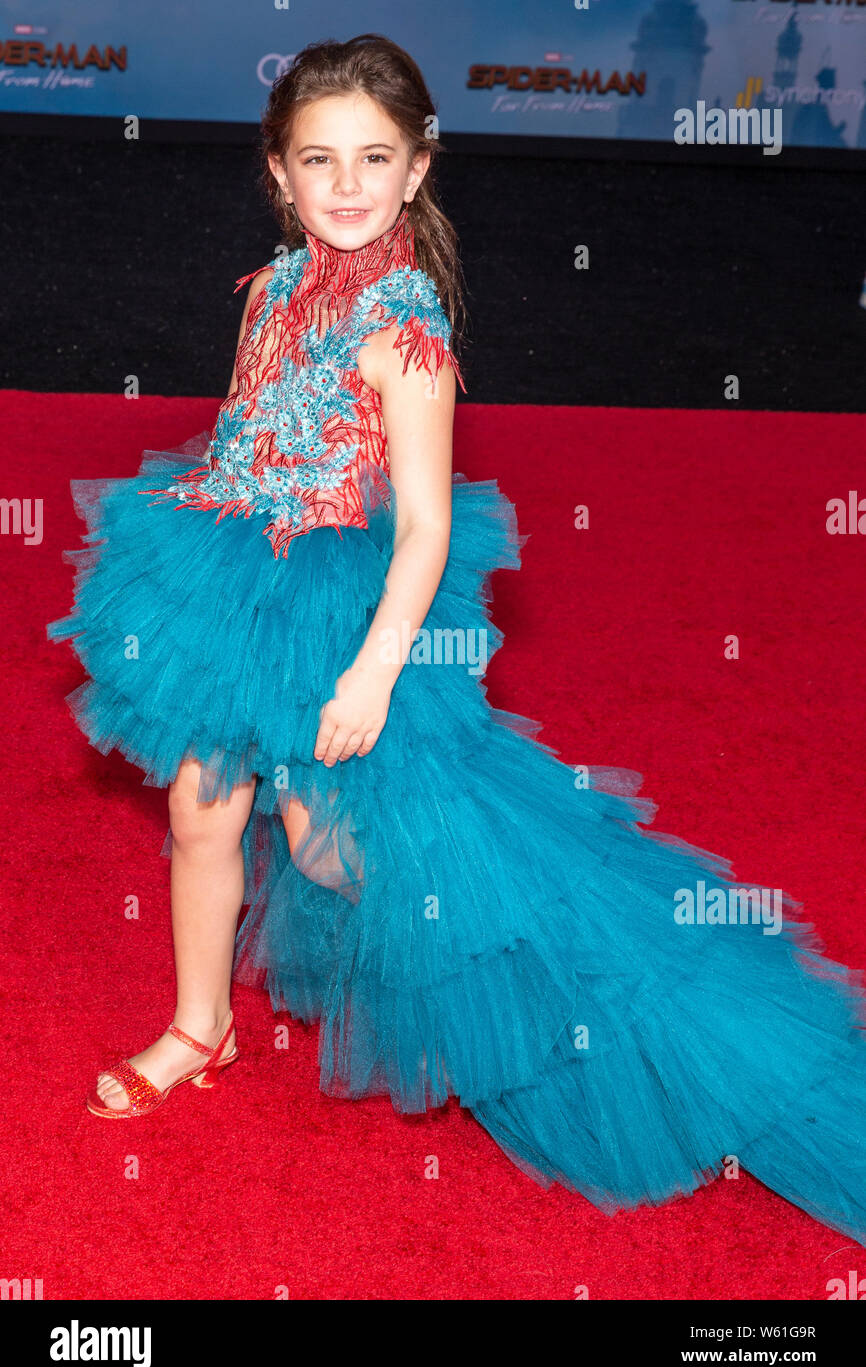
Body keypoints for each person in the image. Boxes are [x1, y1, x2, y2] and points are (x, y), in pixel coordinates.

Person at [48, 33, 866, 1248]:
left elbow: (425, 529)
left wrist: (373, 671)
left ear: (417, 168)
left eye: (372, 158)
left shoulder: (410, 332)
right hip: (230, 579)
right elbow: (240, 431)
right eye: (317, 159)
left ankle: (540, 975)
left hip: (345, 612)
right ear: (277, 172)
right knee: (198, 811)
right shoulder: (271, 290)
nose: (344, 184)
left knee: (333, 856)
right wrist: (186, 562)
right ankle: (197, 1022)